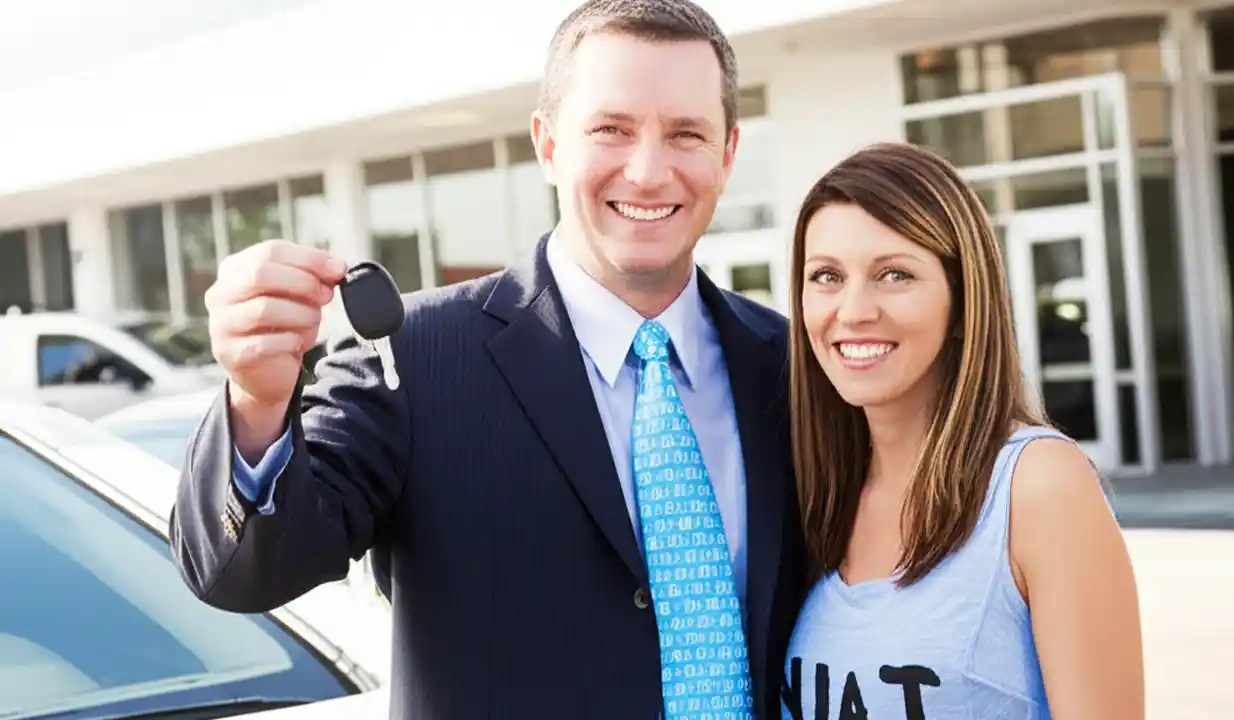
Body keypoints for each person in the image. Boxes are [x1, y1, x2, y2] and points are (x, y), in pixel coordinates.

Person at [168, 1, 807, 718]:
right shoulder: (413, 357)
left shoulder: (790, 370)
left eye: (686, 133)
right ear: (547, 144)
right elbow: (244, 575)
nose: (649, 170)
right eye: (611, 129)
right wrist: (255, 403)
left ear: (728, 153)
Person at [780, 143, 1144, 720]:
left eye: (894, 274)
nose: (852, 310)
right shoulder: (819, 496)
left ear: (961, 300)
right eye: (826, 276)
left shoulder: (1036, 486)